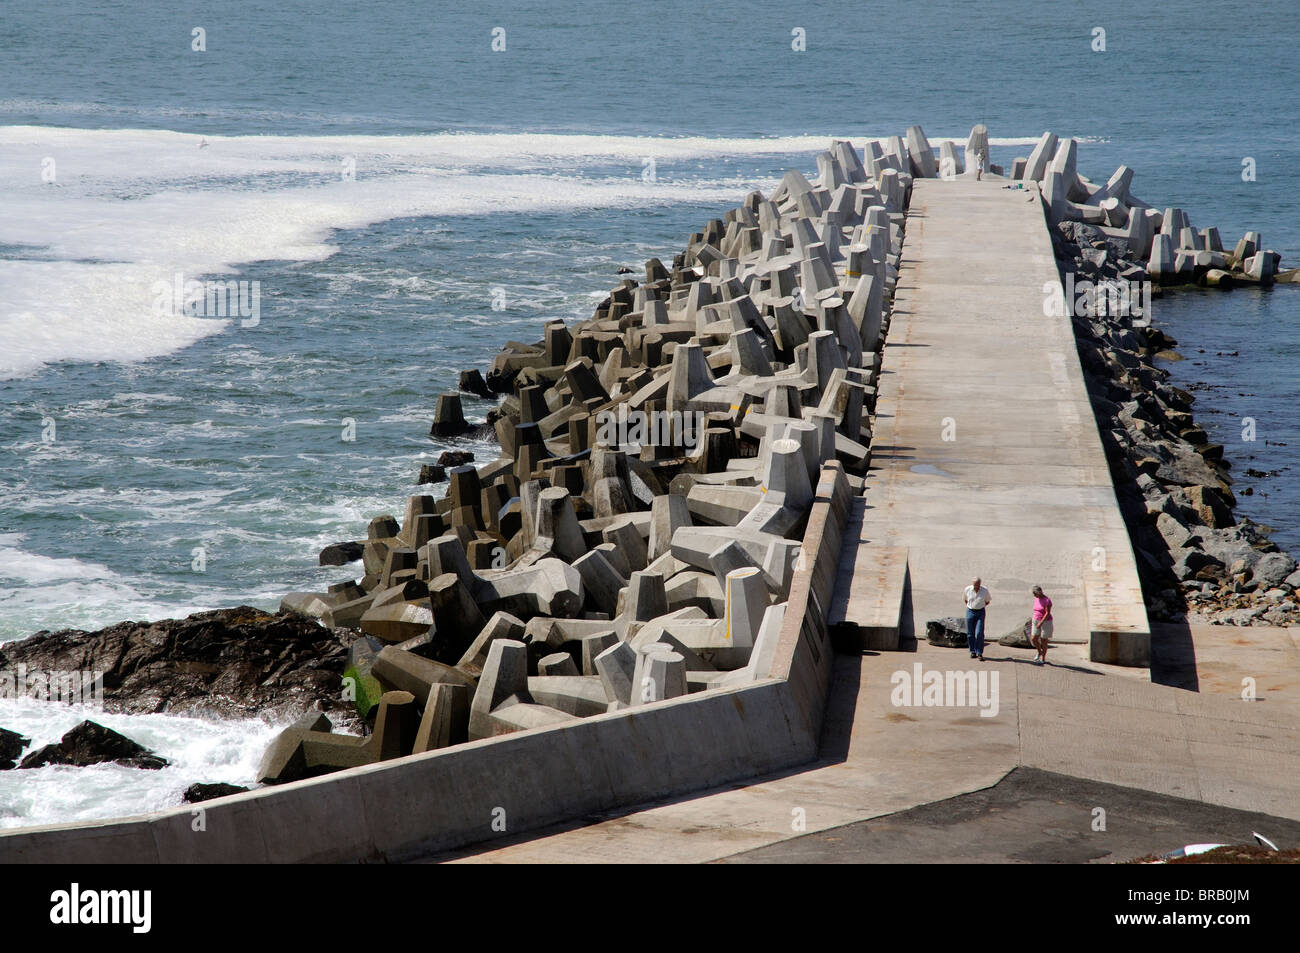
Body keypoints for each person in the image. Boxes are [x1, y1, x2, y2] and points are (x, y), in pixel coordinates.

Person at [963, 577, 992, 660]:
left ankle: (979, 652)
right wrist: (972, 606)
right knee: (970, 633)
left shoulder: (984, 590)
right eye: (975, 585)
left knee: (979, 633)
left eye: (977, 585)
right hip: (970, 611)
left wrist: (980, 606)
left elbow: (987, 601)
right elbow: (965, 600)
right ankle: (972, 651)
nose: (976, 587)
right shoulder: (967, 589)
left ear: (980, 584)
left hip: (980, 612)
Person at [1030, 585, 1053, 665]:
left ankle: (1043, 658)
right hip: (1035, 620)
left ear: (1039, 593)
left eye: (1035, 594)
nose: (1034, 596)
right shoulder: (1036, 598)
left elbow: (1047, 613)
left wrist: (1041, 622)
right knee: (1033, 638)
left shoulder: (1047, 600)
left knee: (1044, 640)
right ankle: (1040, 652)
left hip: (1046, 622)